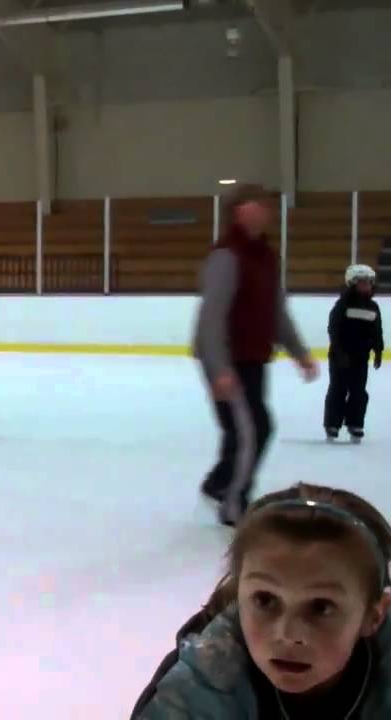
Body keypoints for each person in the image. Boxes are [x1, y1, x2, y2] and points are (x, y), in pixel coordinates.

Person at [132, 483, 391, 719]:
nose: (288, 634)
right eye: (265, 600)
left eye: (320, 607)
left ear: (374, 616)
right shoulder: (193, 691)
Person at [193, 185, 317, 526]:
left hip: (252, 357)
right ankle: (234, 502)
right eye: (258, 205)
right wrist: (219, 368)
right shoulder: (227, 256)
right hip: (227, 358)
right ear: (240, 211)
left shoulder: (263, 255)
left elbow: (276, 311)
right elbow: (211, 318)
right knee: (255, 429)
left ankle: (220, 483)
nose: (266, 211)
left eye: (266, 205)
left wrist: (300, 353)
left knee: (242, 428)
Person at [325, 264, 383, 442]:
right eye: (362, 283)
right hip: (340, 356)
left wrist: (378, 350)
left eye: (369, 283)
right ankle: (332, 424)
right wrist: (338, 351)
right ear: (352, 284)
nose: (367, 286)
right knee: (338, 389)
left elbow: (376, 331)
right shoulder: (342, 305)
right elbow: (333, 329)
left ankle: (355, 423)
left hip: (361, 358)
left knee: (359, 391)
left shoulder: (373, 307)